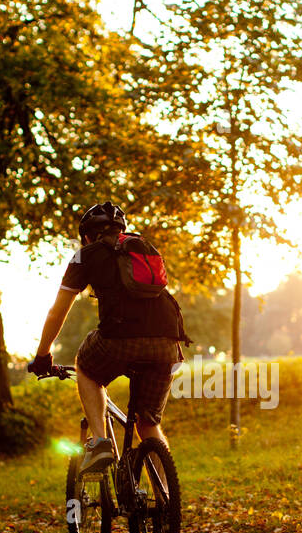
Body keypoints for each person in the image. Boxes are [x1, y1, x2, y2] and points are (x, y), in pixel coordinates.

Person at [28, 202, 188, 474]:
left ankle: (101, 443)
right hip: (168, 341)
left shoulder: (86, 255)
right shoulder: (143, 248)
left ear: (87, 235)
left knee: (86, 368)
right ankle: (167, 502)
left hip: (120, 339)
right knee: (147, 423)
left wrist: (43, 354)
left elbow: (58, 311)